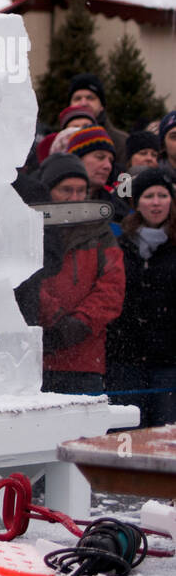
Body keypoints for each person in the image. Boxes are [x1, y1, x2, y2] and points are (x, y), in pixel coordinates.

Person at [28, 154, 124, 394]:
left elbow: (112, 287)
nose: (75, 198)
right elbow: (27, 280)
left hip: (85, 361)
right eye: (66, 190)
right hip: (37, 358)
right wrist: (55, 316)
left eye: (81, 191)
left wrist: (80, 323)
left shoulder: (101, 233)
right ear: (48, 192)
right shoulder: (30, 230)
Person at [105, 168, 176, 426]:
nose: (156, 202)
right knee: (127, 436)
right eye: (148, 196)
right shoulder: (120, 245)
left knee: (166, 439)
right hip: (125, 360)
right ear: (136, 203)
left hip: (169, 362)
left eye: (162, 195)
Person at [66, 73, 127, 154]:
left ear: (101, 105)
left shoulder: (121, 142)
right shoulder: (56, 142)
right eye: (77, 98)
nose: (83, 103)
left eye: (90, 98)